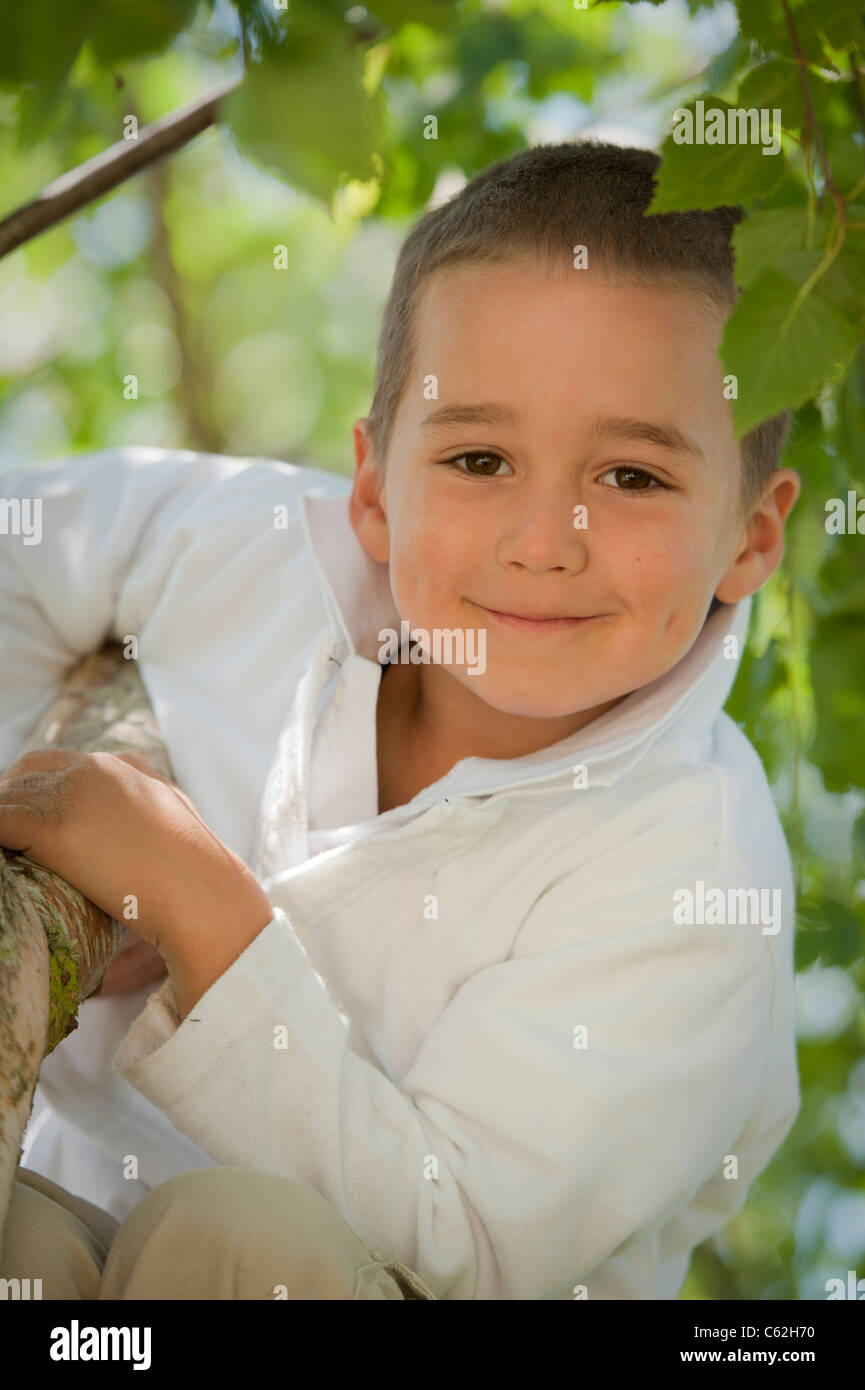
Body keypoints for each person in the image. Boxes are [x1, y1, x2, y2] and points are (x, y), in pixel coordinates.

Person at [0, 139, 801, 1300]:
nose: (544, 538)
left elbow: (459, 1238)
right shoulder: (247, 542)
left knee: (240, 1243)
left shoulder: (695, 873)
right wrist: (44, 801)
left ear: (751, 534)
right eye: (479, 457)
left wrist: (191, 905)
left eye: (632, 477)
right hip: (77, 1235)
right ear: (374, 490)